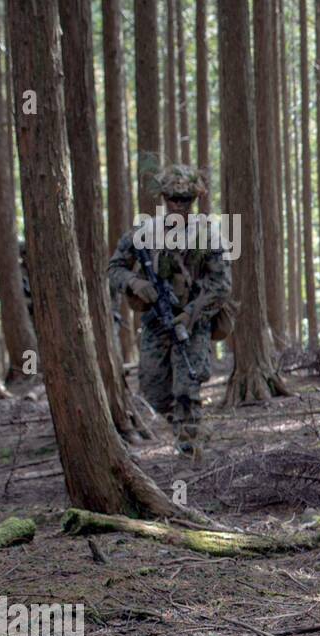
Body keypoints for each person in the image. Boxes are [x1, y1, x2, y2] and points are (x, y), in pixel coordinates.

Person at [107, 164, 231, 459]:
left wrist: (190, 313)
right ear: (163, 199)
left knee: (188, 388)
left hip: (194, 322)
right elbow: (114, 268)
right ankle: (180, 427)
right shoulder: (144, 232)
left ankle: (189, 450)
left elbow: (221, 284)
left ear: (195, 200)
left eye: (185, 199)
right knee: (154, 393)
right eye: (173, 199)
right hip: (155, 322)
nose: (178, 205)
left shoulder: (209, 235)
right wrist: (136, 282)